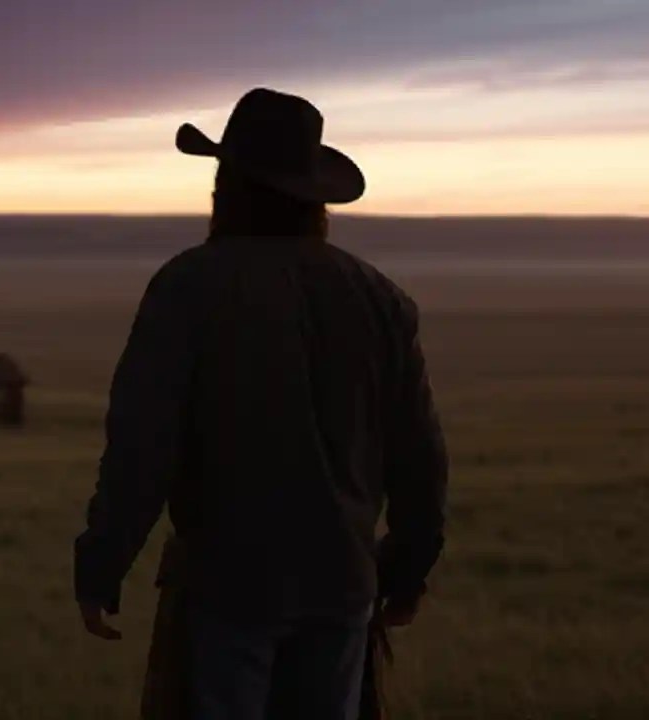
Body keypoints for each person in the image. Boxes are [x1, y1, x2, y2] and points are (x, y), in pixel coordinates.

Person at [73, 88, 449, 720]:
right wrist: (408, 570)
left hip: (227, 584)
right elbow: (420, 456)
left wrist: (102, 565)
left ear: (228, 187)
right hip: (342, 583)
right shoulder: (379, 298)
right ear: (314, 197)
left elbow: (142, 447)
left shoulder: (188, 286)